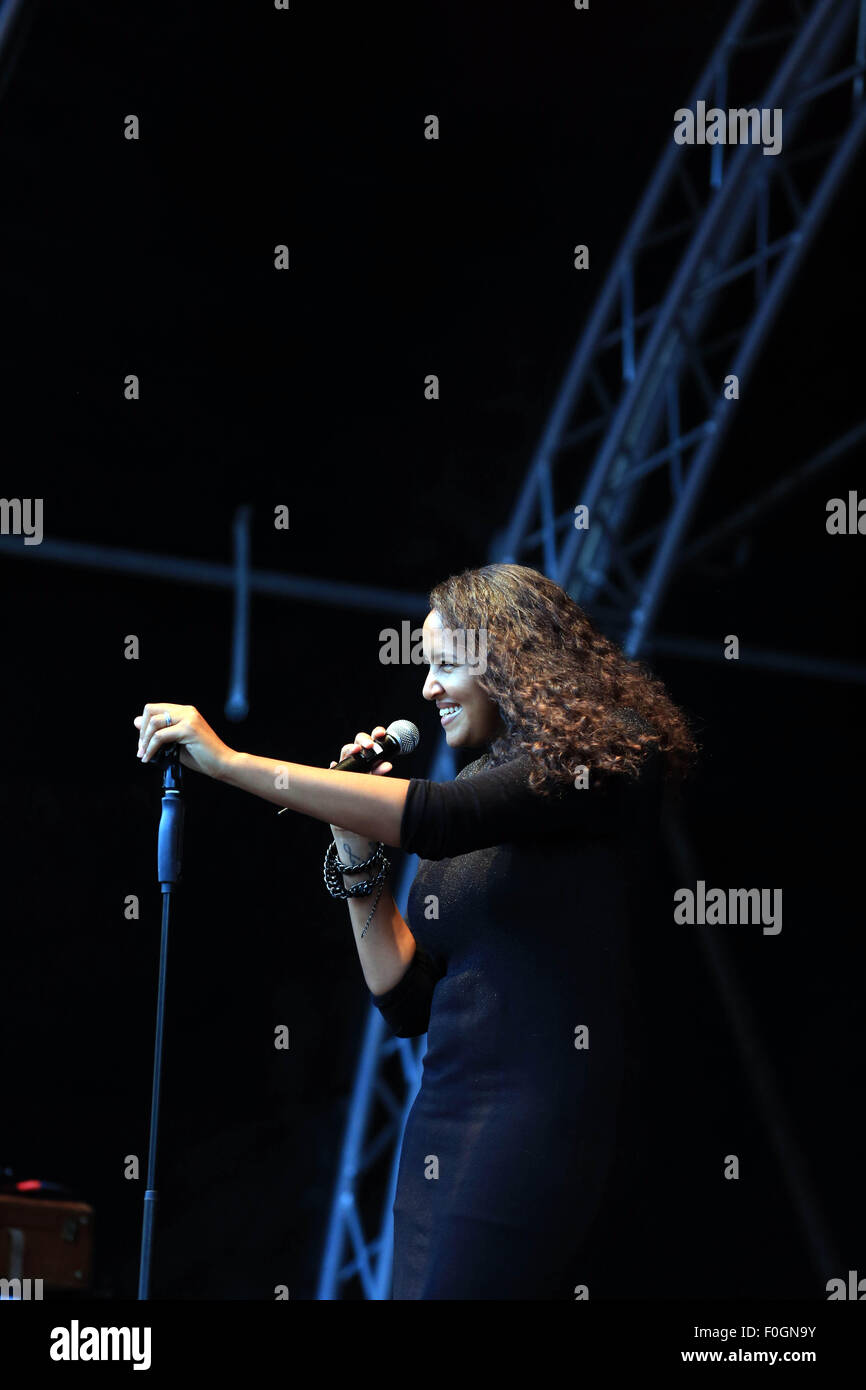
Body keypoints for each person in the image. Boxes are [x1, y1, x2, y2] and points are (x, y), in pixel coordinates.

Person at [133, 562, 695, 1299]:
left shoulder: (599, 759)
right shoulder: (476, 789)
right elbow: (406, 999)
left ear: (510, 654)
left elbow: (433, 819)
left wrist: (230, 763)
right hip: (443, 1126)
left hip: (533, 1123)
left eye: (444, 664)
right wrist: (352, 844)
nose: (427, 688)